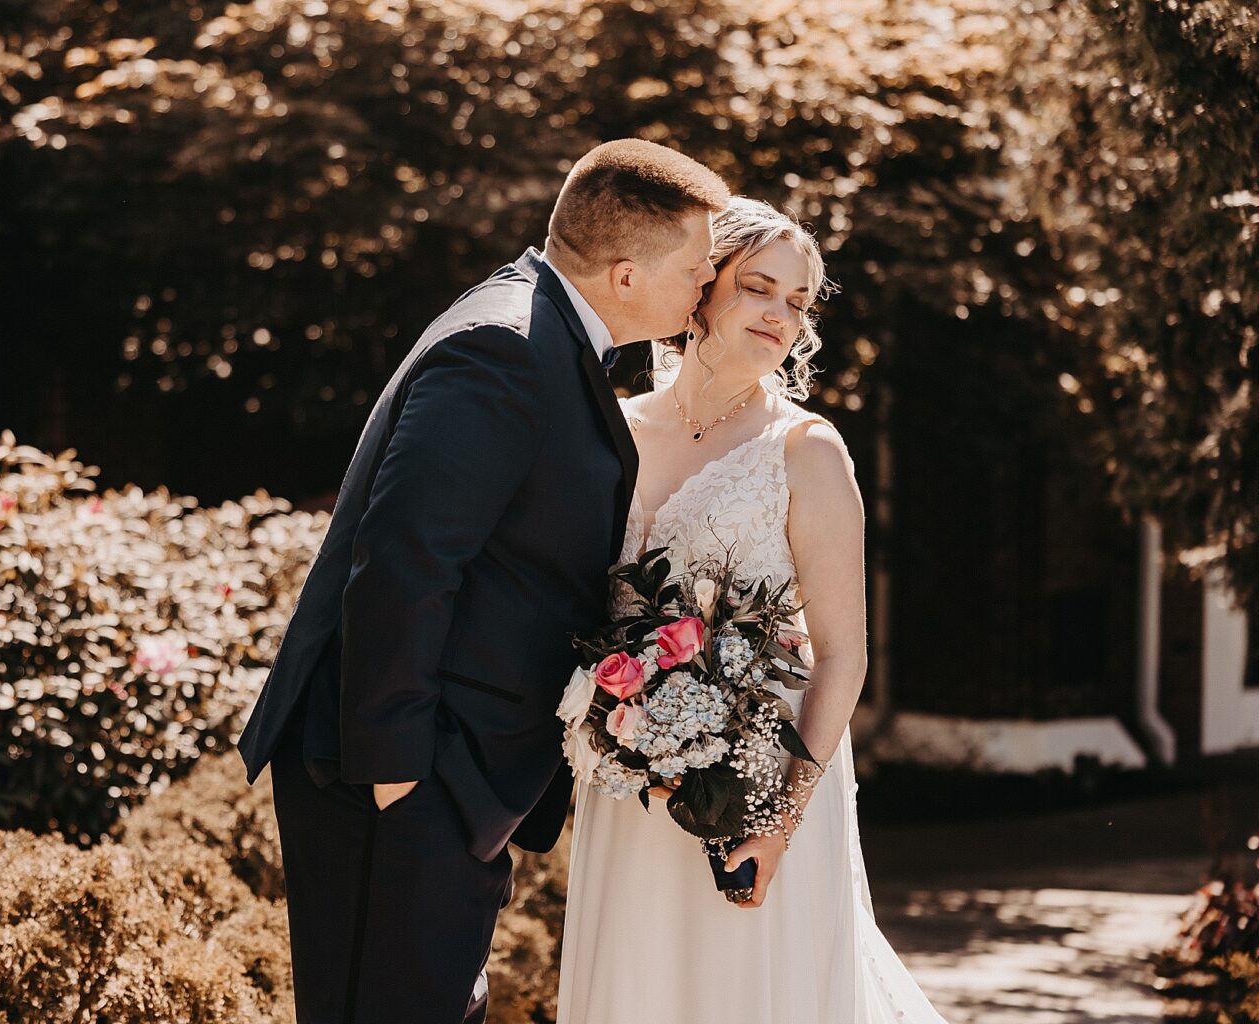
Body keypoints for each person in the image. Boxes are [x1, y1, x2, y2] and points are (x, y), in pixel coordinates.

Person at [235, 138, 728, 1024]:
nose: (707, 283)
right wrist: (398, 777)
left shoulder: (540, 332)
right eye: (696, 267)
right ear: (626, 275)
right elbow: (404, 558)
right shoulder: (506, 347)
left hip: (445, 780)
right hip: (392, 781)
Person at [556, 197, 949, 1022]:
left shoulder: (806, 450)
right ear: (702, 285)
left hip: (760, 781)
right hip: (629, 789)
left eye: (797, 302)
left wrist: (777, 820)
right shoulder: (612, 432)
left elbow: (842, 655)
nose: (780, 315)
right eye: (759, 287)